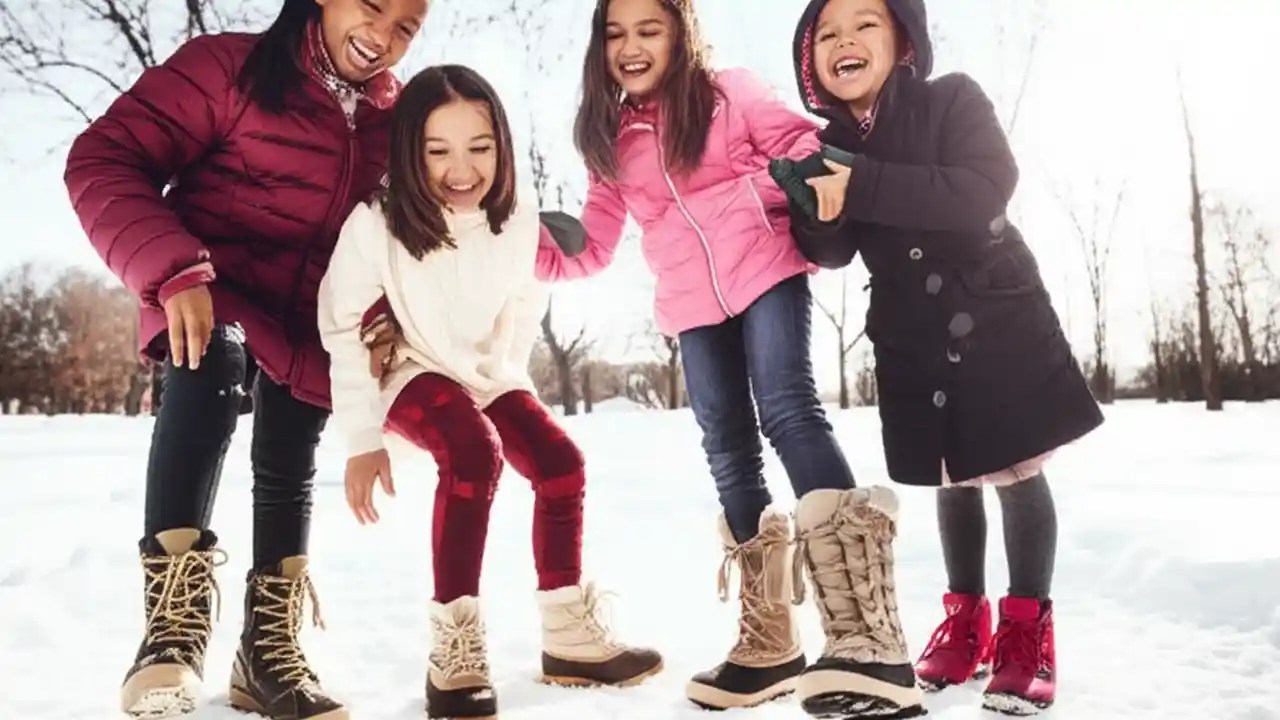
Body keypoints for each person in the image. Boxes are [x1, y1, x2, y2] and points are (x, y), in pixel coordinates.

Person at [61, 1, 428, 717]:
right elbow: (104, 159)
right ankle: (170, 635)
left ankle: (267, 652)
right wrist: (171, 269)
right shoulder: (226, 69)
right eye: (373, 6)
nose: (383, 36)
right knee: (210, 367)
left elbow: (407, 236)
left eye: (408, 26)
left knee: (292, 447)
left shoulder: (401, 121)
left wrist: (389, 313)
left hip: (312, 316)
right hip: (204, 288)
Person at [774, 0, 1105, 714]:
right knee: (955, 476)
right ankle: (966, 622)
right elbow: (833, 251)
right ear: (812, 61)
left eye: (865, 23)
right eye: (827, 33)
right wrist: (813, 210)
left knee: (1015, 468)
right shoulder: (828, 141)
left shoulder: (952, 98)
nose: (845, 41)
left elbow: (985, 187)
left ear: (902, 40)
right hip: (913, 330)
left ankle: (1025, 629)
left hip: (991, 312)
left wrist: (859, 182)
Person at [316, 64, 663, 720]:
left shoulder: (519, 221)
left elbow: (518, 319)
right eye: (437, 151)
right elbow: (339, 321)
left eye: (479, 148)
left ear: (500, 146)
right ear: (409, 154)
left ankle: (567, 634)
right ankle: (456, 646)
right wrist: (362, 439)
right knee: (473, 454)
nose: (461, 168)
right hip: (409, 370)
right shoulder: (378, 223)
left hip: (483, 371)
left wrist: (513, 397)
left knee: (562, 465)